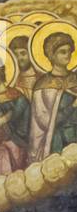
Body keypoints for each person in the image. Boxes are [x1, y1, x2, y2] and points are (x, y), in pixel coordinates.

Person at [28, 31, 77, 164]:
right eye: (62, 52)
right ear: (51, 55)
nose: (67, 55)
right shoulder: (42, 85)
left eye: (69, 51)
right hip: (57, 141)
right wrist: (72, 107)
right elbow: (43, 121)